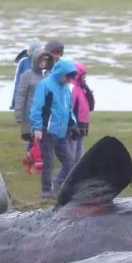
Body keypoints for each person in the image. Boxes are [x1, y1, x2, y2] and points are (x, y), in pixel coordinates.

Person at [29, 58, 79, 199]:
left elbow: (68, 110)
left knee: (69, 163)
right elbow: (36, 108)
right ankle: (46, 192)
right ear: (61, 72)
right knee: (48, 162)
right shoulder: (45, 85)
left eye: (71, 77)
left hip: (62, 132)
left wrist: (72, 124)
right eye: (67, 76)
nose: (69, 79)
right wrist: (37, 128)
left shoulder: (66, 89)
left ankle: (56, 186)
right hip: (47, 131)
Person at [13, 40, 49, 167]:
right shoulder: (27, 75)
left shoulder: (46, 75)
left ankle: (34, 158)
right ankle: (32, 159)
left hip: (43, 113)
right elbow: (20, 94)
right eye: (41, 60)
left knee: (40, 138)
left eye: (45, 60)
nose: (43, 63)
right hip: (30, 112)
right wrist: (18, 113)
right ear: (35, 60)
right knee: (33, 137)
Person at [70, 61, 94, 161]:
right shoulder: (73, 88)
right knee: (73, 147)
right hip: (75, 123)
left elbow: (90, 105)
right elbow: (69, 107)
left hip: (83, 122)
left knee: (80, 146)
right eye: (83, 75)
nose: (84, 77)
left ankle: (78, 166)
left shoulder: (83, 87)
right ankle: (71, 168)